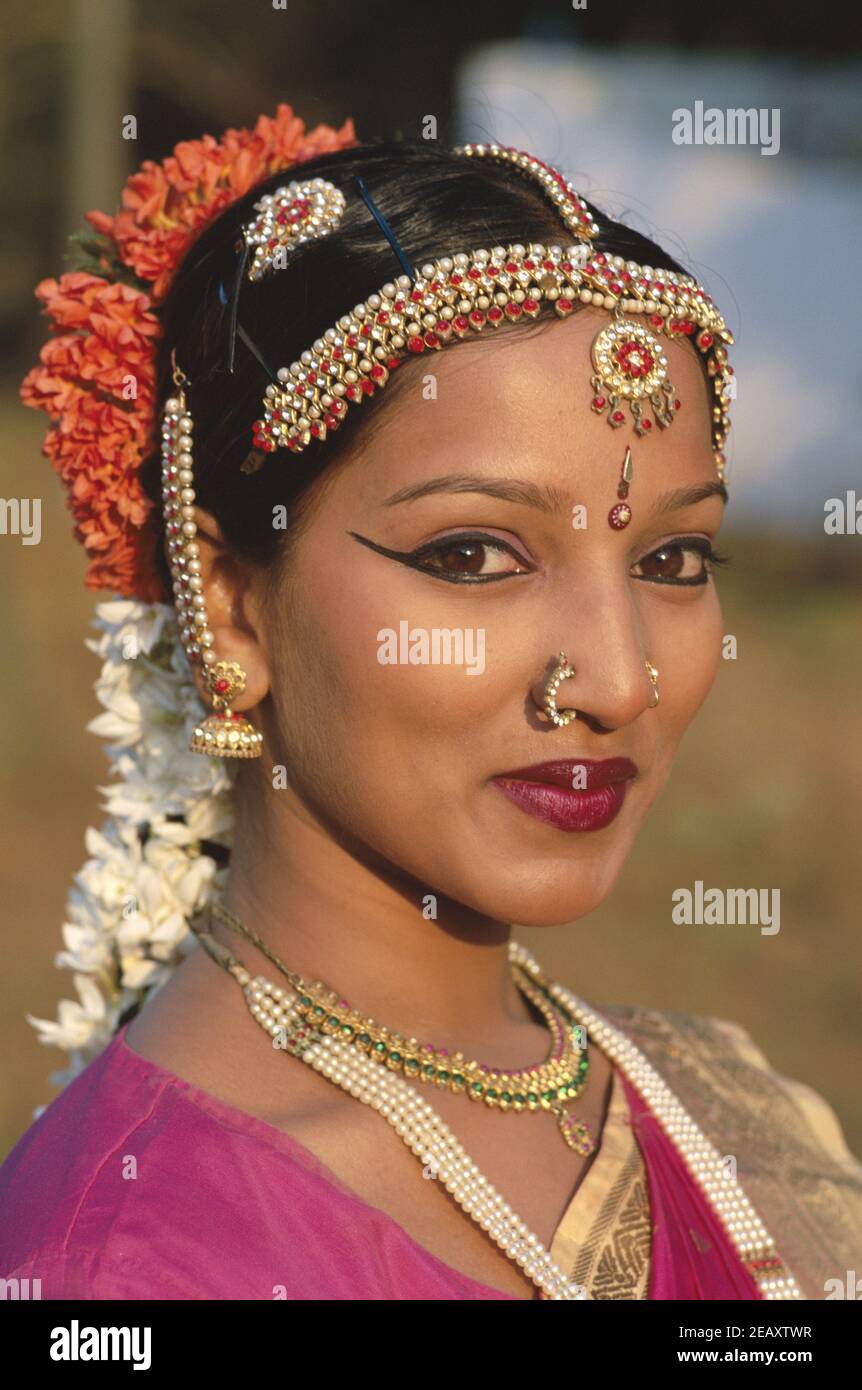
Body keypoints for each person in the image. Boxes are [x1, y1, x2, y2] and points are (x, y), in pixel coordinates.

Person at [1, 104, 859, 1302]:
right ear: (231, 607)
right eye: (472, 556)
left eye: (673, 562)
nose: (615, 682)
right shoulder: (132, 1261)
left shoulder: (742, 1116)